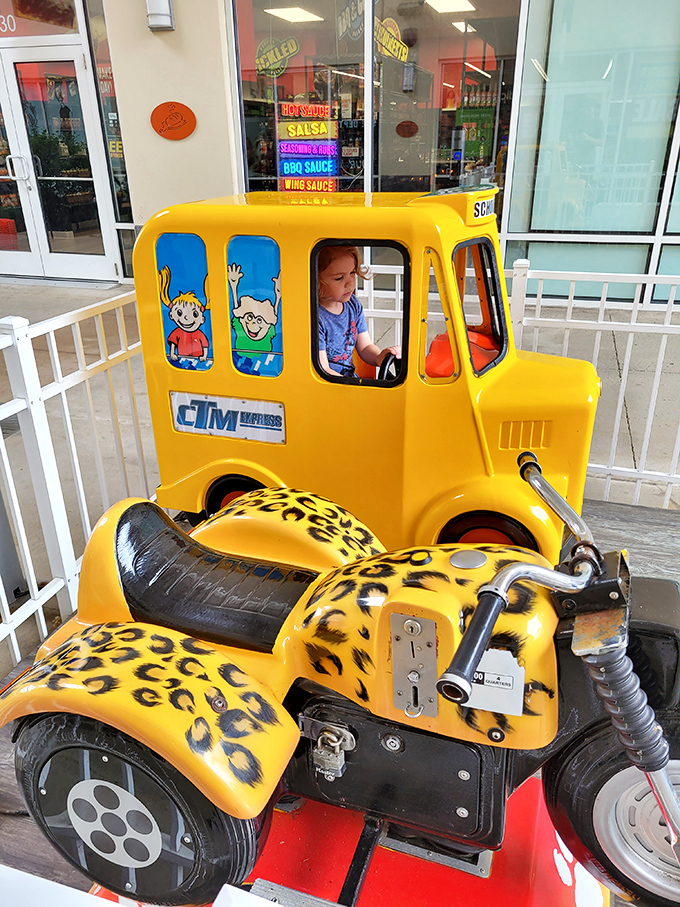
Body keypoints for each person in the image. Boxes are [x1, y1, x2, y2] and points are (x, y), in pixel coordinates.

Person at [317, 246, 400, 377]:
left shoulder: (353, 306)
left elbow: (365, 346)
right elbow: (323, 370)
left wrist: (379, 357)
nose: (350, 282)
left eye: (352, 272)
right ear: (316, 280)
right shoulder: (316, 317)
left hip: (348, 380)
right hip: (330, 387)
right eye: (339, 278)